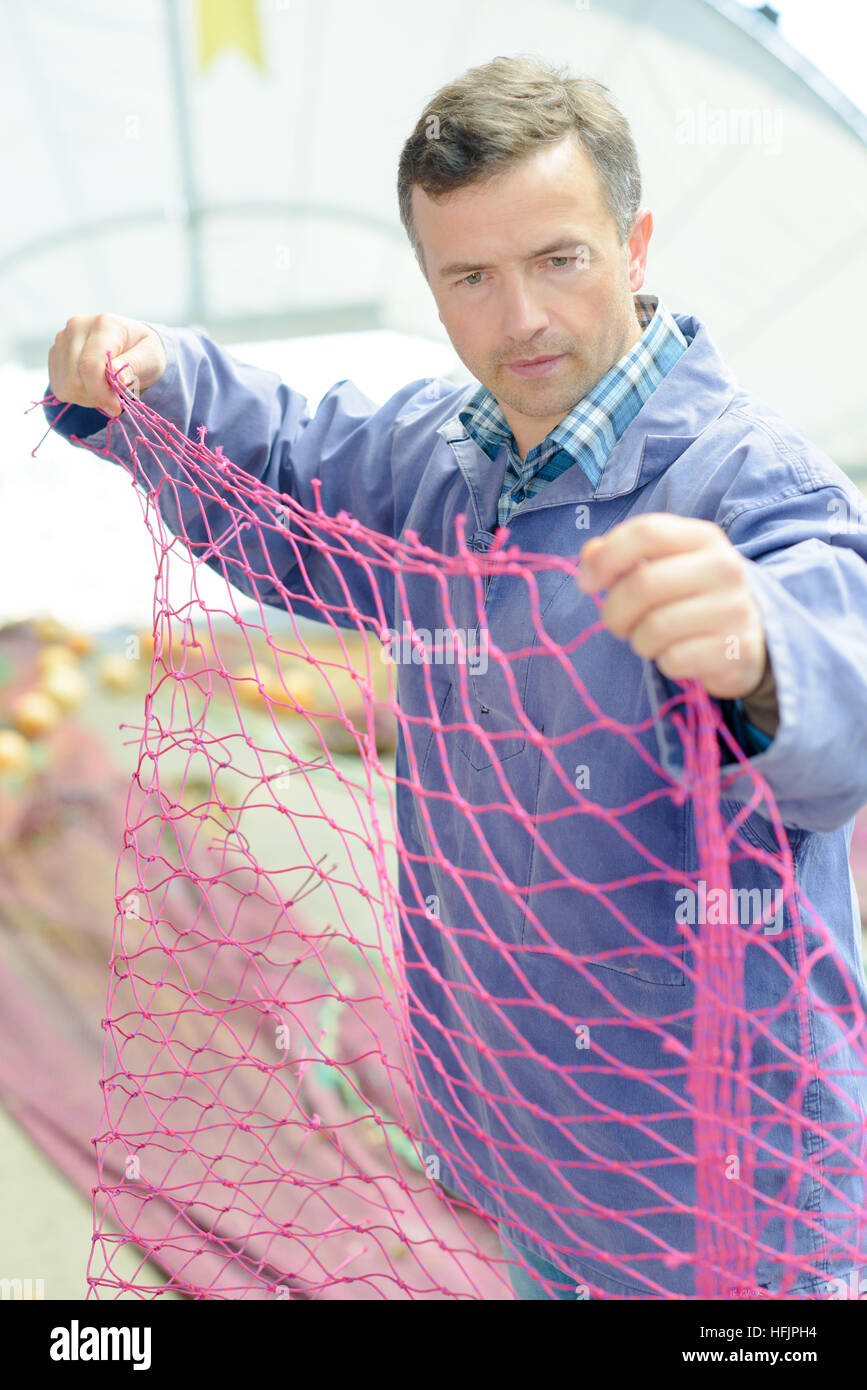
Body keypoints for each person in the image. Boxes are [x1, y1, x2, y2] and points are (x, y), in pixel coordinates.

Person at [44, 54, 867, 1300]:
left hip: (727, 1207)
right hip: (525, 1167)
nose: (521, 317)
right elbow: (289, 456)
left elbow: (840, 673)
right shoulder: (445, 466)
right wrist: (156, 376)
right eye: (470, 277)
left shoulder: (745, 484)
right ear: (431, 286)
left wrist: (761, 649)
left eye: (559, 260)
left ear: (634, 245)